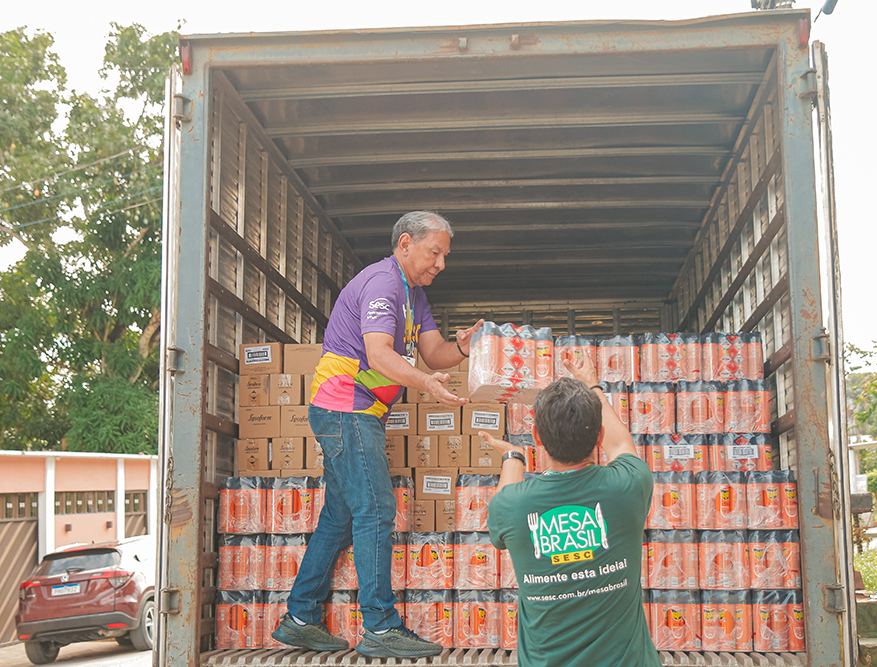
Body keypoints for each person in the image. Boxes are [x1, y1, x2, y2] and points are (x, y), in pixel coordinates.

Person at [272, 211, 483, 658]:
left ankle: (299, 616)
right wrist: (425, 384)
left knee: (341, 516)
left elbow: (434, 353)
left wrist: (463, 346)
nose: (441, 264)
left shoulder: (415, 296)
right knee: (375, 508)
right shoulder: (384, 284)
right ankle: (380, 626)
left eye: (445, 256)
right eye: (435, 252)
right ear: (405, 243)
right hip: (346, 406)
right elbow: (379, 353)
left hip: (358, 410)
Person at [482, 353, 659, 667]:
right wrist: (593, 385)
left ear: (536, 436)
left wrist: (513, 457)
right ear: (598, 436)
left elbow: (506, 494)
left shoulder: (510, 506)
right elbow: (620, 445)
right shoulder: (629, 486)